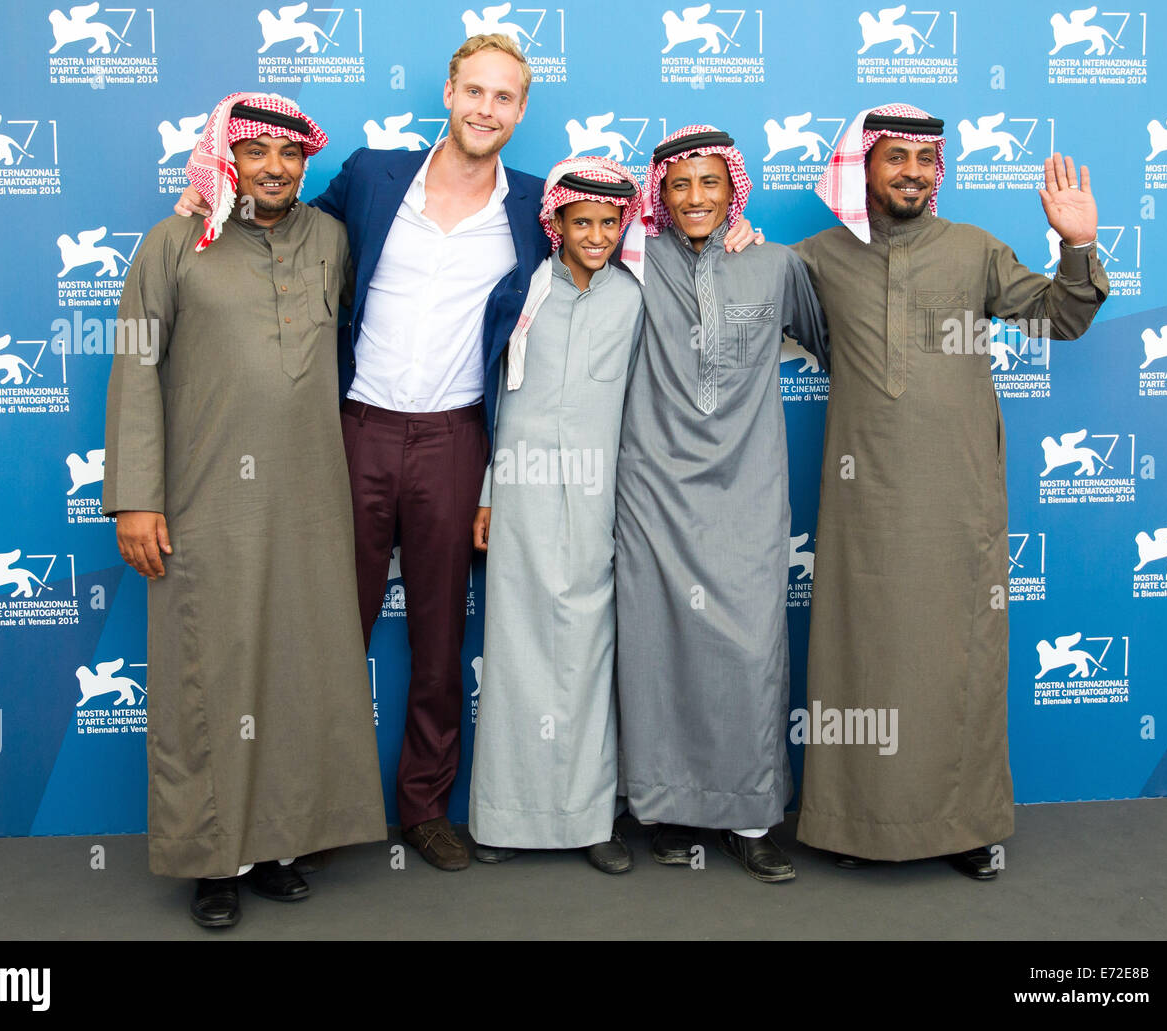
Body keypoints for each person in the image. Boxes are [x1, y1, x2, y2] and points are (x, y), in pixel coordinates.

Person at [174, 39, 762, 871]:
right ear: (449, 93)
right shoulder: (372, 178)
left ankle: (424, 808)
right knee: (318, 628)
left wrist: (737, 231)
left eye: (505, 98)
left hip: (457, 440)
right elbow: (283, 234)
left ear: (521, 113)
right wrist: (208, 199)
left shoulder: (537, 206)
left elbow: (633, 243)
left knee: (440, 639)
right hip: (352, 431)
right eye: (475, 91)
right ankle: (290, 821)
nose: (487, 109)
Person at [792, 103, 1108, 879]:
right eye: (895, 158)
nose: (911, 172)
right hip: (863, 500)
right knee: (861, 654)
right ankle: (854, 820)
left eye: (925, 161)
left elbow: (1059, 318)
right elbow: (743, 308)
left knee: (956, 656)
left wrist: (1077, 244)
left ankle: (964, 823)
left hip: (956, 496)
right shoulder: (818, 257)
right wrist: (732, 251)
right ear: (862, 167)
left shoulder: (973, 251)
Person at [103, 92, 385, 928]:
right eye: (256, 151)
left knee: (295, 668)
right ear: (226, 156)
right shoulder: (173, 243)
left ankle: (278, 845)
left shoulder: (331, 240)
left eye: (289, 154)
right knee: (212, 670)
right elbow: (134, 368)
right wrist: (136, 499)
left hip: (310, 499)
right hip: (205, 498)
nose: (274, 167)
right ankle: (210, 858)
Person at [614, 125, 828, 883]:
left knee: (750, 651)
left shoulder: (774, 264)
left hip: (747, 490)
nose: (696, 198)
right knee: (658, 647)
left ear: (733, 187)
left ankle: (749, 815)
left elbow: (839, 342)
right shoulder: (633, 257)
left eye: (711, 183)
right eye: (680, 183)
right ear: (659, 193)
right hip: (654, 493)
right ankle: (669, 809)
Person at [468, 157, 644, 874]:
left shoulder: (637, 297)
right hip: (518, 494)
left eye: (609, 223)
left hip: (603, 497)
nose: (597, 235)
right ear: (557, 224)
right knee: (513, 652)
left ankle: (590, 817)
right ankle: (506, 817)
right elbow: (491, 402)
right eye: (583, 223)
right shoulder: (521, 292)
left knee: (589, 654)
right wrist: (484, 491)